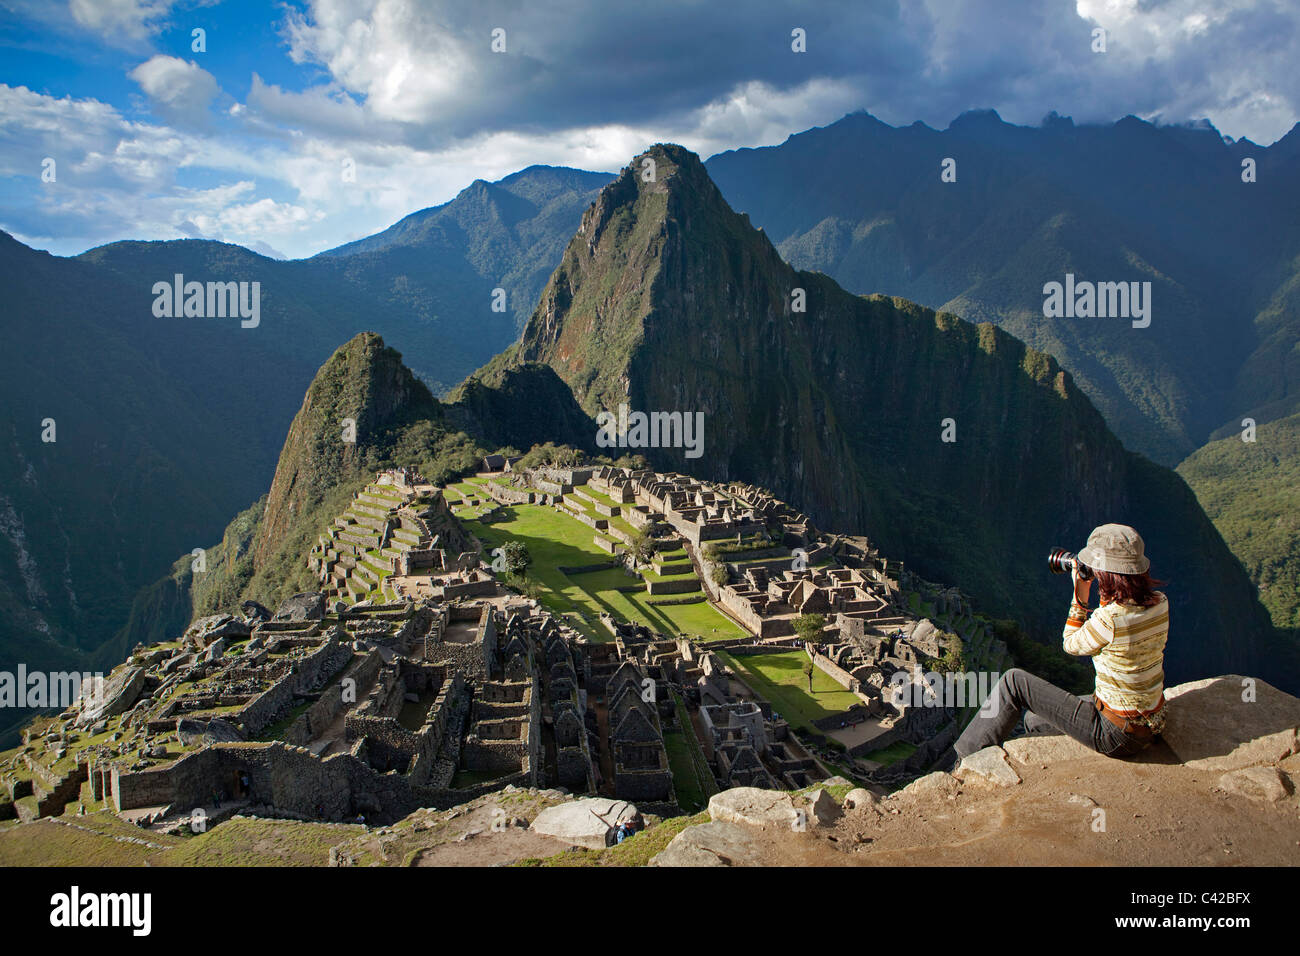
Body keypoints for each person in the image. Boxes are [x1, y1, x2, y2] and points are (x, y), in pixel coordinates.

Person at [952, 524, 1169, 761]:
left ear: (1107, 574)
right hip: (1149, 721)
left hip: (1115, 734)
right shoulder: (1160, 602)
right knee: (1033, 720)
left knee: (1014, 682)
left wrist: (1080, 593)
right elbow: (1125, 624)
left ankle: (963, 758)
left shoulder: (1110, 620)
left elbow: (1070, 644)